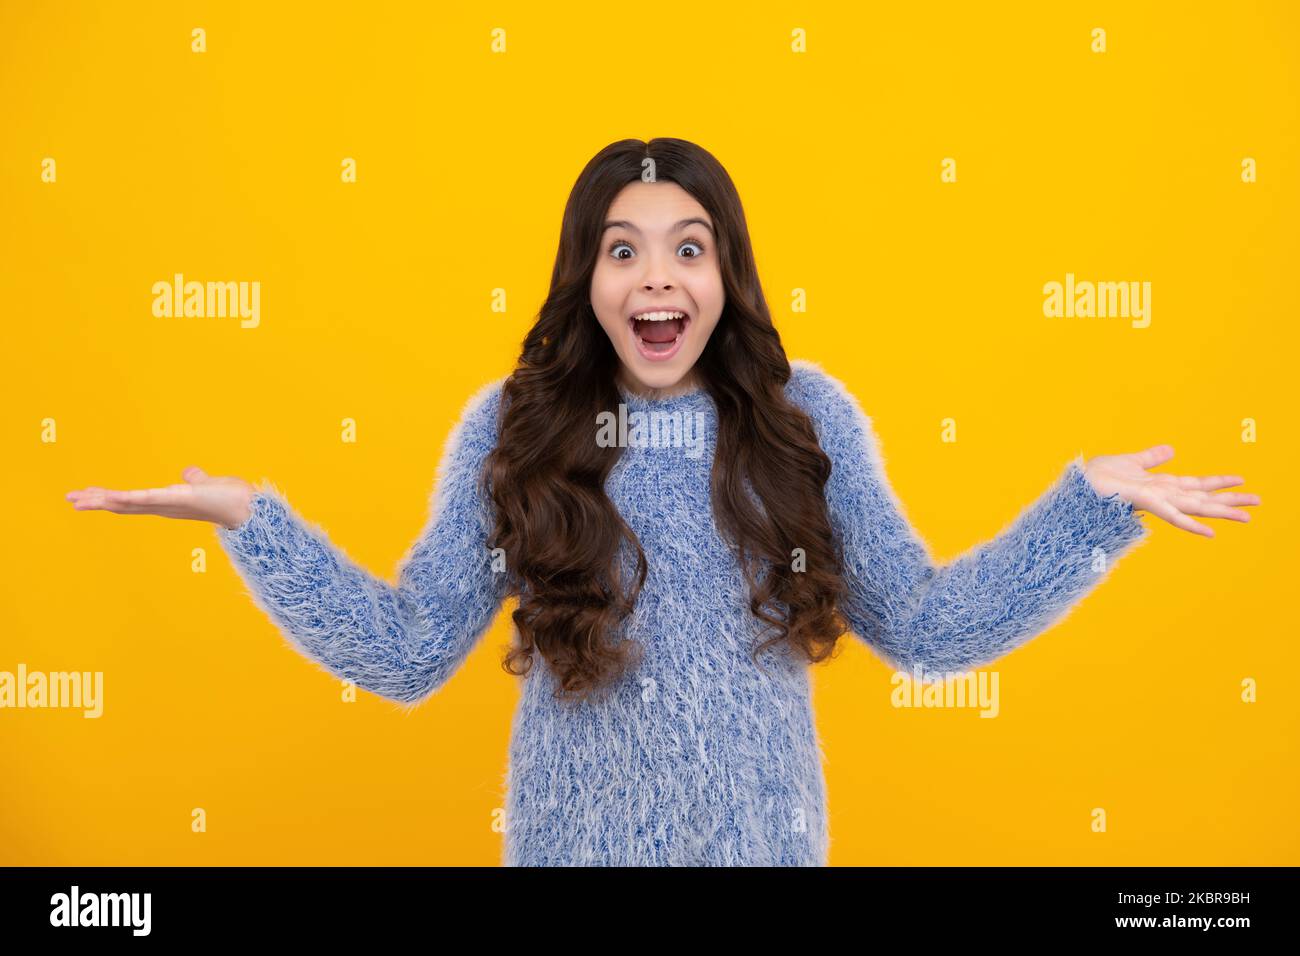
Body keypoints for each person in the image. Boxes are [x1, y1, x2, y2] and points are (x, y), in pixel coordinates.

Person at [65, 138, 1261, 866]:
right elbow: (406, 649)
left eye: (689, 248)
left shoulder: (804, 420)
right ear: (585, 274)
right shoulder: (515, 427)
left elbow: (931, 627)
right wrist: (250, 521)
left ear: (725, 273)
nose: (657, 276)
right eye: (622, 248)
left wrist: (1087, 508)